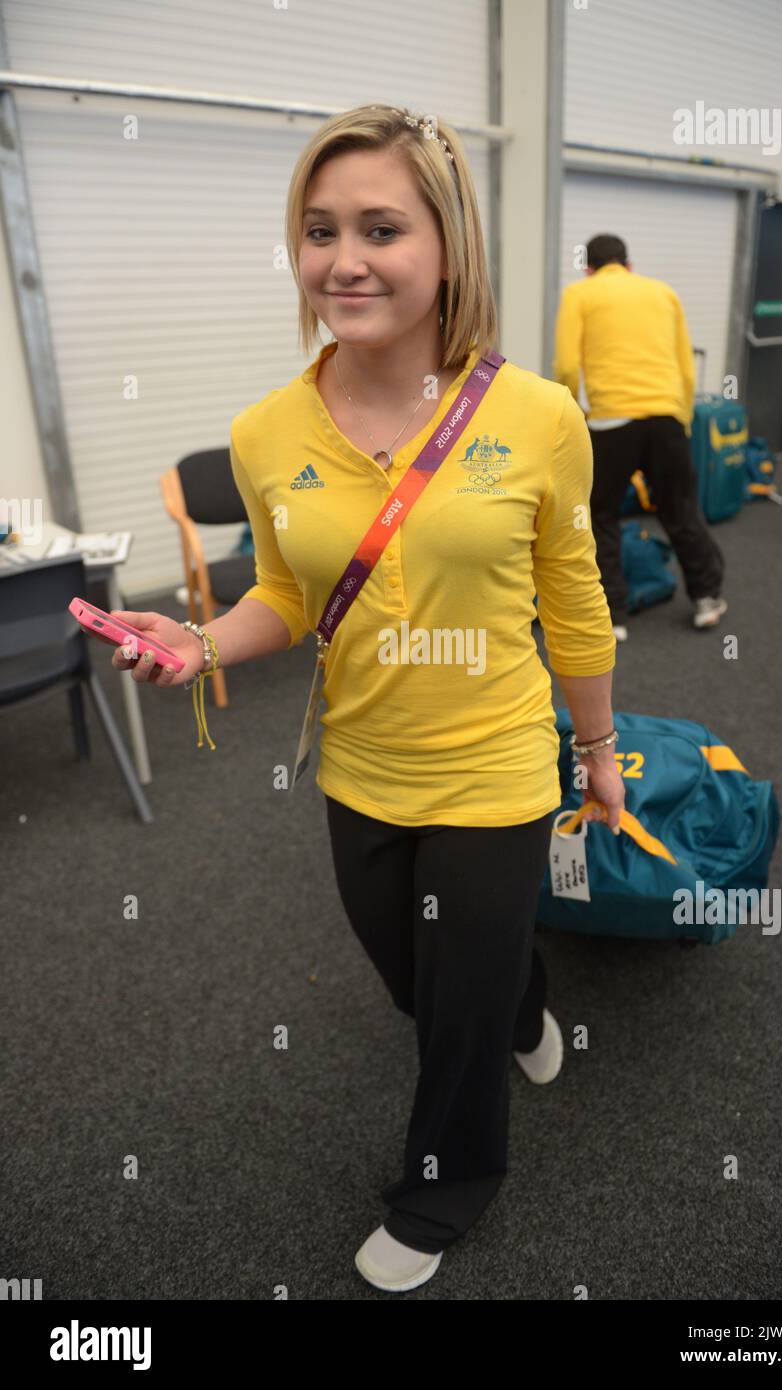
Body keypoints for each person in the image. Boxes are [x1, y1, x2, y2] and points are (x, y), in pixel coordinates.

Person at [95, 105, 624, 1294]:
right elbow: (284, 594)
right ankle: (519, 997)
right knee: (415, 980)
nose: (344, 258)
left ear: (447, 244)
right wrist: (199, 637)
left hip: (494, 765)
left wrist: (596, 748)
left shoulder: (535, 417)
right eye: (319, 228)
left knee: (454, 1020)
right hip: (360, 769)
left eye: (381, 226)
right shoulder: (265, 430)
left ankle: (444, 1190)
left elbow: (577, 606)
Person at [553, 233, 727, 641]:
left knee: (601, 515)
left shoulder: (580, 294)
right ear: (628, 264)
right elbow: (686, 366)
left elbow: (565, 364)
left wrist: (576, 414)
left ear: (589, 268)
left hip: (611, 421)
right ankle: (706, 600)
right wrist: (681, 417)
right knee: (680, 509)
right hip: (665, 416)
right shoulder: (663, 293)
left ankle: (613, 616)